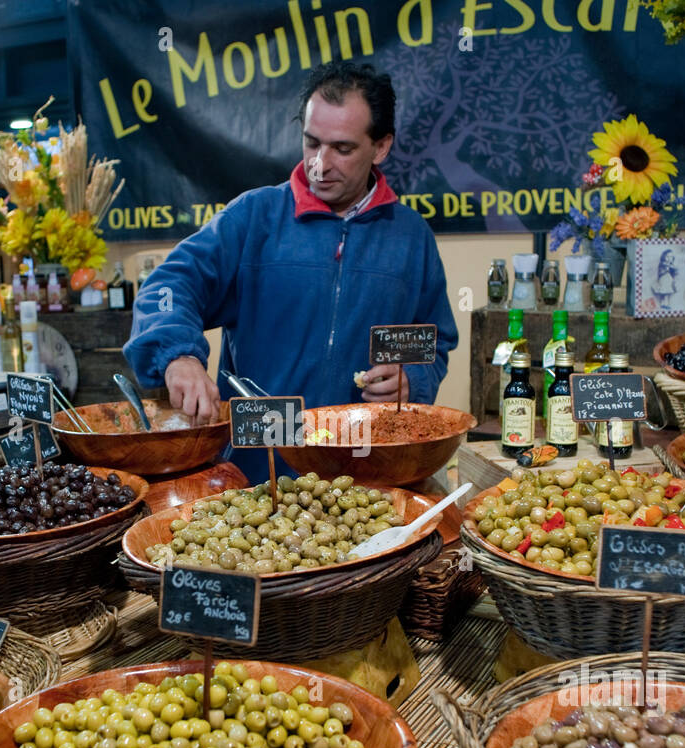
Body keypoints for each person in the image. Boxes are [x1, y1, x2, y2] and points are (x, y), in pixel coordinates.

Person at [123, 63, 458, 481]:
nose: (321, 163)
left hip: (367, 476)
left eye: (343, 148)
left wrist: (414, 380)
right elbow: (168, 287)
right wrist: (178, 355)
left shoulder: (411, 238)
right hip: (257, 473)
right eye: (312, 142)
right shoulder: (253, 217)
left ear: (382, 146)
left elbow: (434, 341)